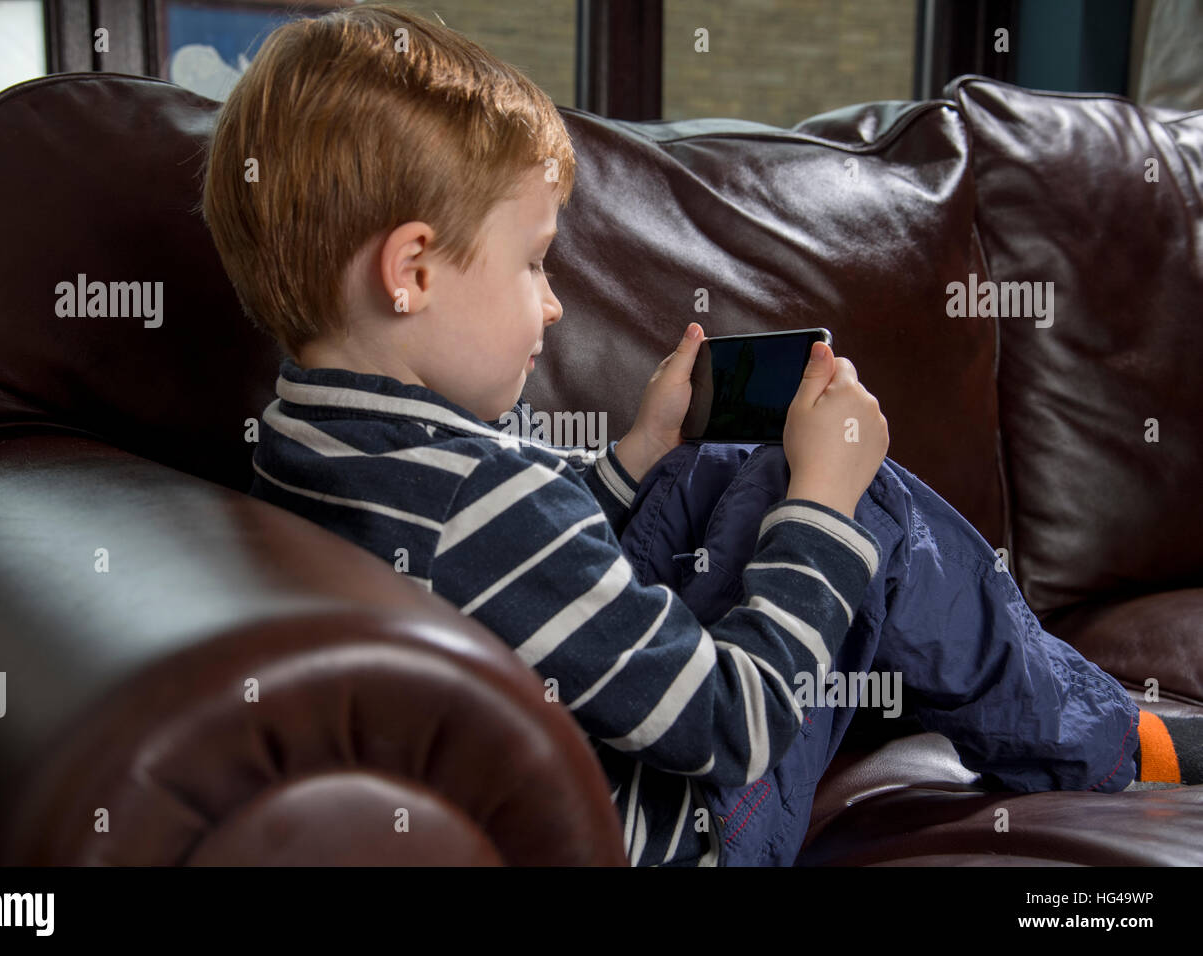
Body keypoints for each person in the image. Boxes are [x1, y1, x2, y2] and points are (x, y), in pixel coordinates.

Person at [198, 4, 1201, 866]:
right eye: (536, 264)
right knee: (867, 508)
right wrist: (822, 505)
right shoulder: (483, 500)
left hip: (583, 746)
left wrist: (639, 452)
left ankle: (1025, 692)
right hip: (694, 830)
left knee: (722, 461)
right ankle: (1119, 743)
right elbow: (733, 724)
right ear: (411, 270)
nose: (552, 308)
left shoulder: (303, 437)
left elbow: (516, 586)